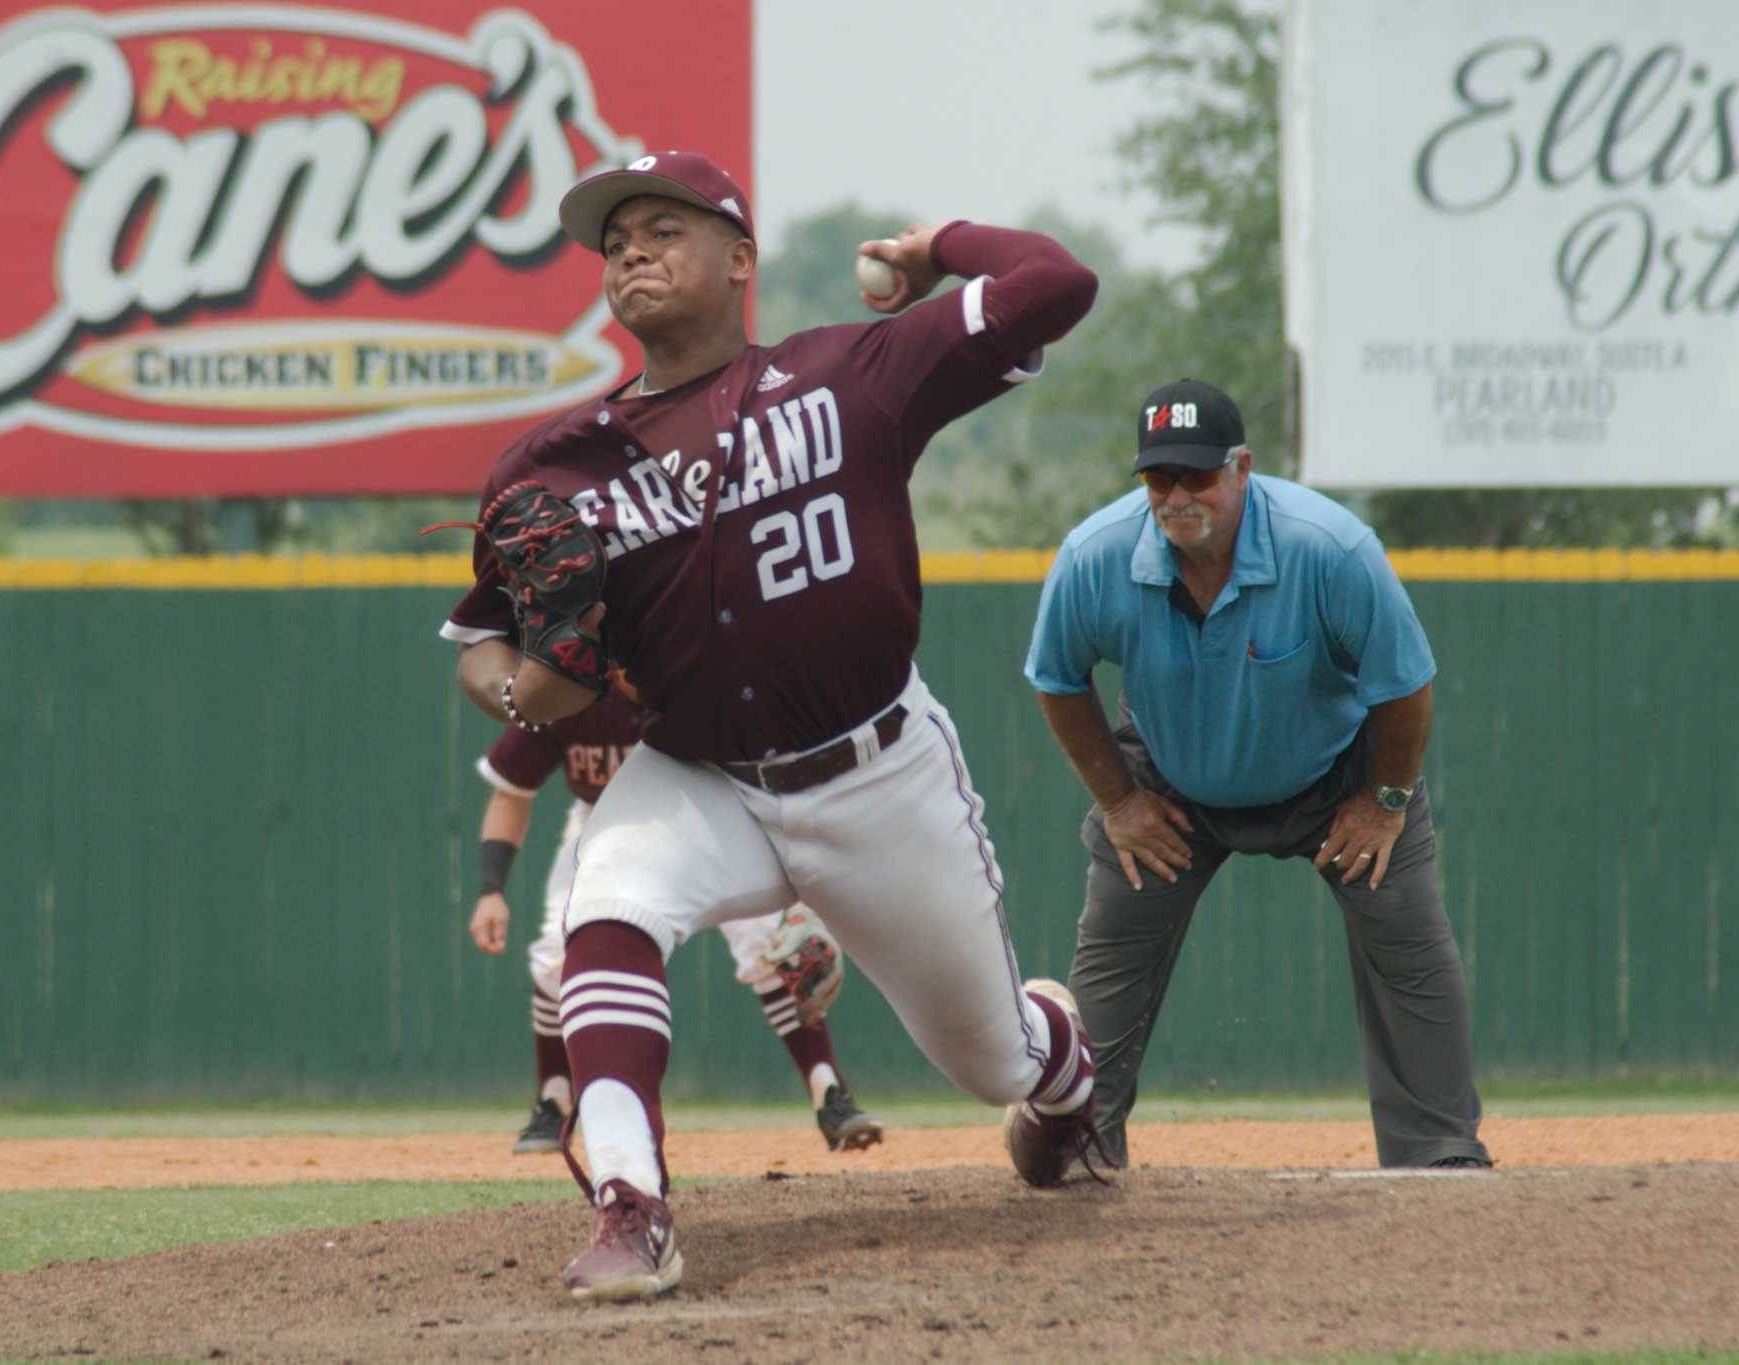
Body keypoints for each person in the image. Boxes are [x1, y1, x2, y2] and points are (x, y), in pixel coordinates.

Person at [437, 150, 1103, 1301]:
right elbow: (478, 646)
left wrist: (934, 244)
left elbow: (1055, 283)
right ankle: (630, 1206)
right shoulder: (553, 464)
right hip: (699, 773)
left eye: (662, 227)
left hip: (876, 773)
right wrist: (519, 694)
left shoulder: (855, 370)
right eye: (614, 241)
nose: (630, 250)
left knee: (992, 1061)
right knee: (604, 908)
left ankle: (1059, 1064)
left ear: (740, 260)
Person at [1023, 377, 1493, 1171]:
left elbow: (1406, 683)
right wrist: (1118, 800)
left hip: (1339, 771)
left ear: (1241, 466)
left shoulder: (1329, 548)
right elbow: (1056, 678)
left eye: (1196, 475)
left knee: (1410, 941)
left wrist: (1385, 802)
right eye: (1158, 477)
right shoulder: (1096, 556)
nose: (1175, 495)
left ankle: (1439, 1153)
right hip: (1170, 778)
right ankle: (1080, 1145)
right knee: (1109, 954)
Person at [467, 680, 885, 1155]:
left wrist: (802, 887)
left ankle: (829, 1092)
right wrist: (490, 891)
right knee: (556, 957)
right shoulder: (571, 688)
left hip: (701, 816)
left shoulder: (694, 680)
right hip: (603, 823)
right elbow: (511, 794)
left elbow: (775, 779)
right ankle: (554, 1102)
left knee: (769, 946)